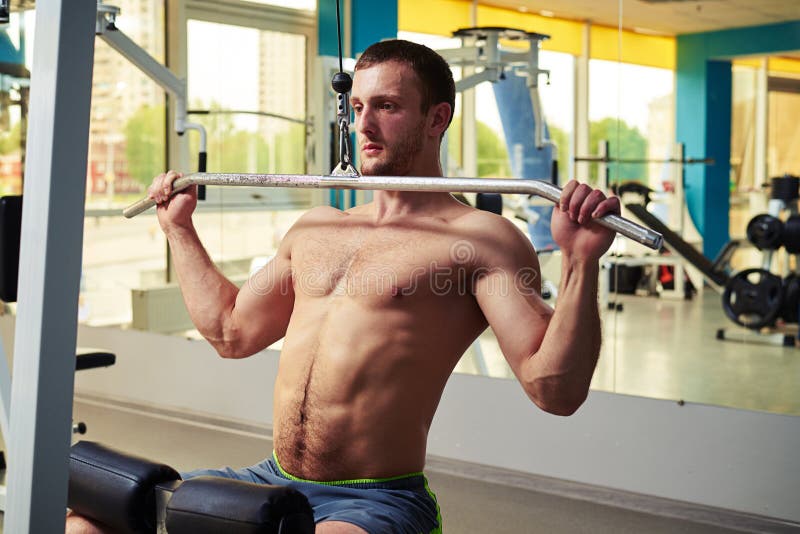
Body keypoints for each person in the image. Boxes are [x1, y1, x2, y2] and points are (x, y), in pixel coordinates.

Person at [67, 39, 619, 534]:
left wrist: (580, 260)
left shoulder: (480, 240)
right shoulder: (317, 228)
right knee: (87, 522)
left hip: (373, 502)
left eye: (387, 106)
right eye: (357, 107)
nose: (364, 125)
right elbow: (231, 332)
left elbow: (555, 391)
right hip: (271, 477)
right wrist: (178, 229)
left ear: (437, 118)